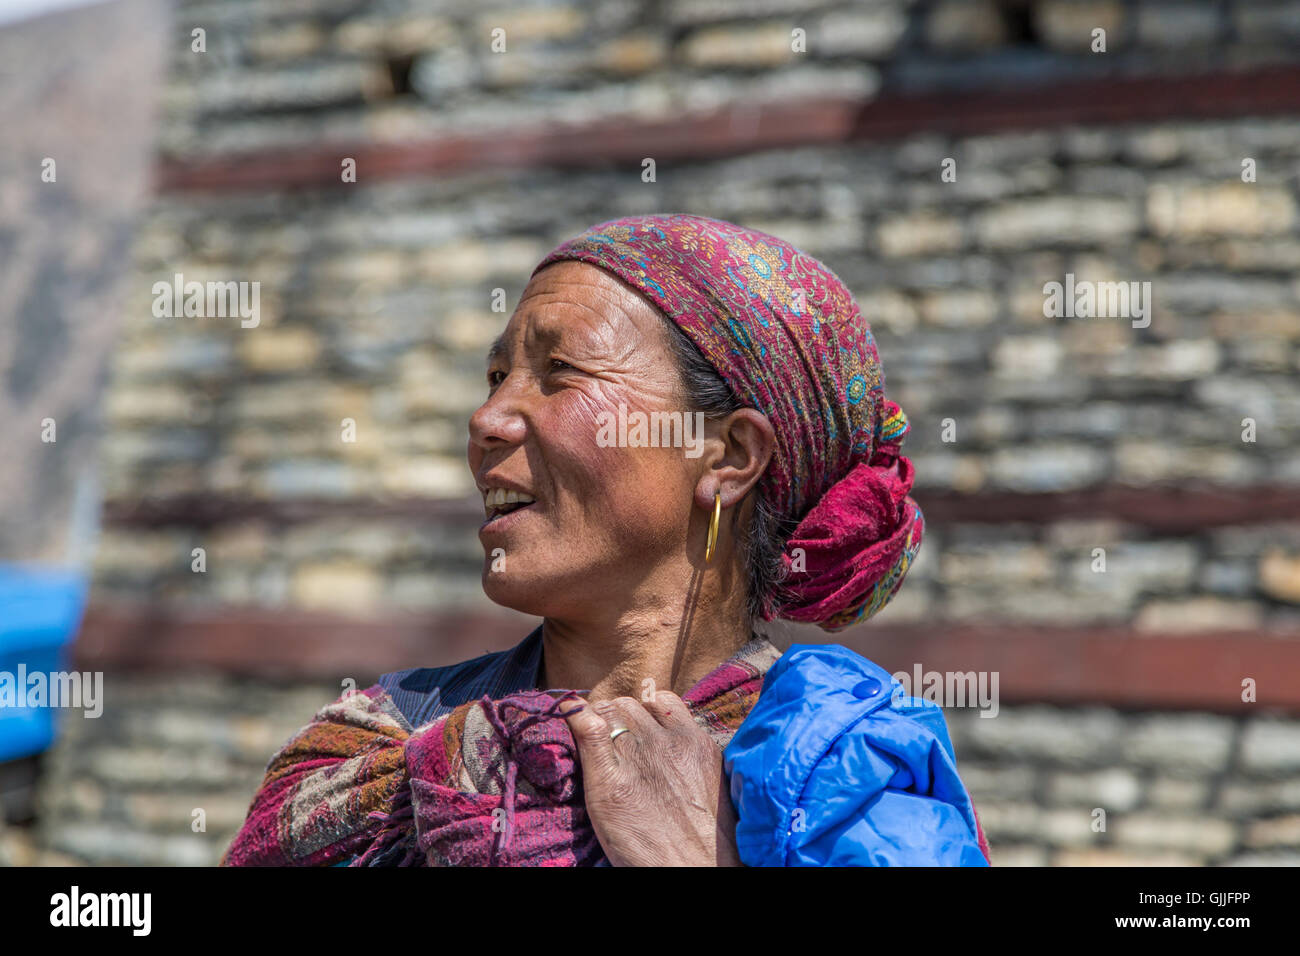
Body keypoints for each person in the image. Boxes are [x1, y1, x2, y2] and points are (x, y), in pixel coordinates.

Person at [220, 213, 991, 867]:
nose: (487, 420)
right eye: (495, 376)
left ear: (727, 457)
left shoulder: (849, 778)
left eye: (560, 370)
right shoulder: (375, 748)